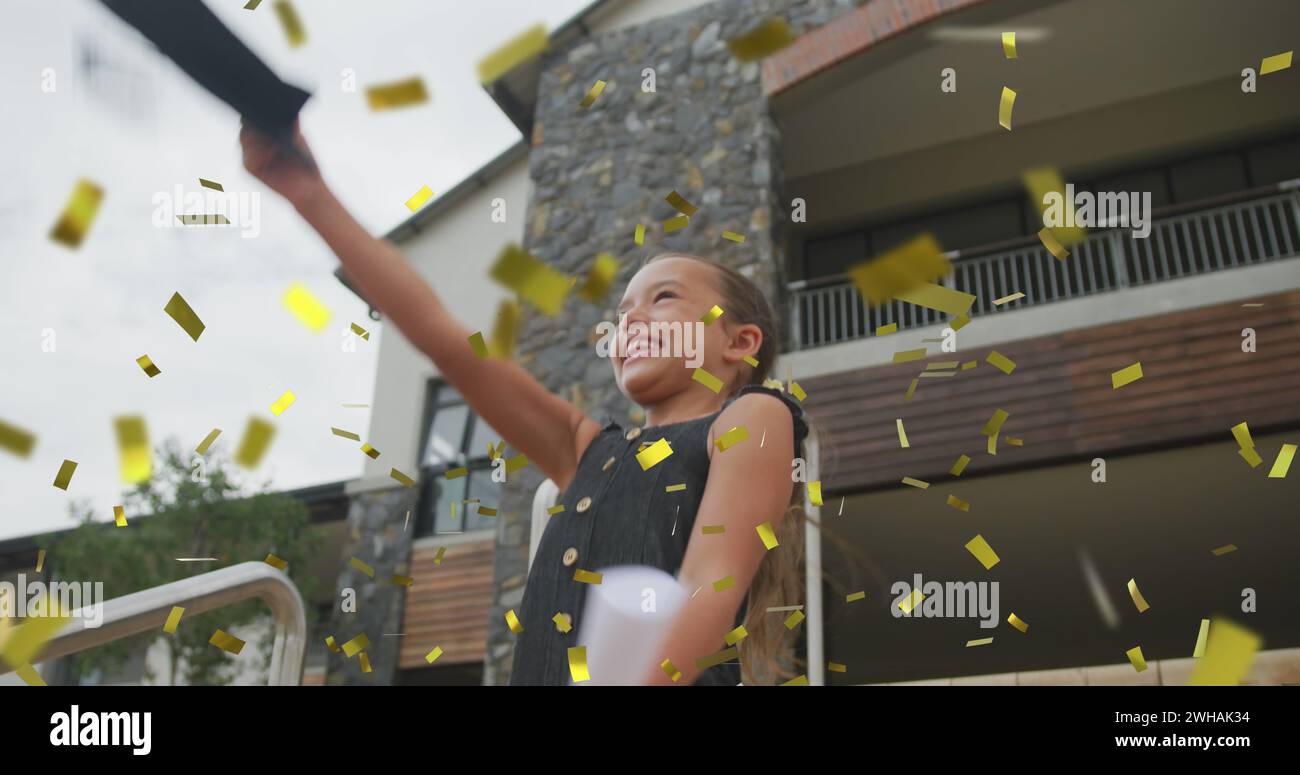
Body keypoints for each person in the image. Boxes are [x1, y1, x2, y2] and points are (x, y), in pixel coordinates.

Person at [241, 122, 810, 685]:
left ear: (740, 342)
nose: (630, 319)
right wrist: (311, 196)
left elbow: (708, 588)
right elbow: (446, 340)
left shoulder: (755, 417)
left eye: (663, 299)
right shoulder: (588, 450)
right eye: (623, 311)